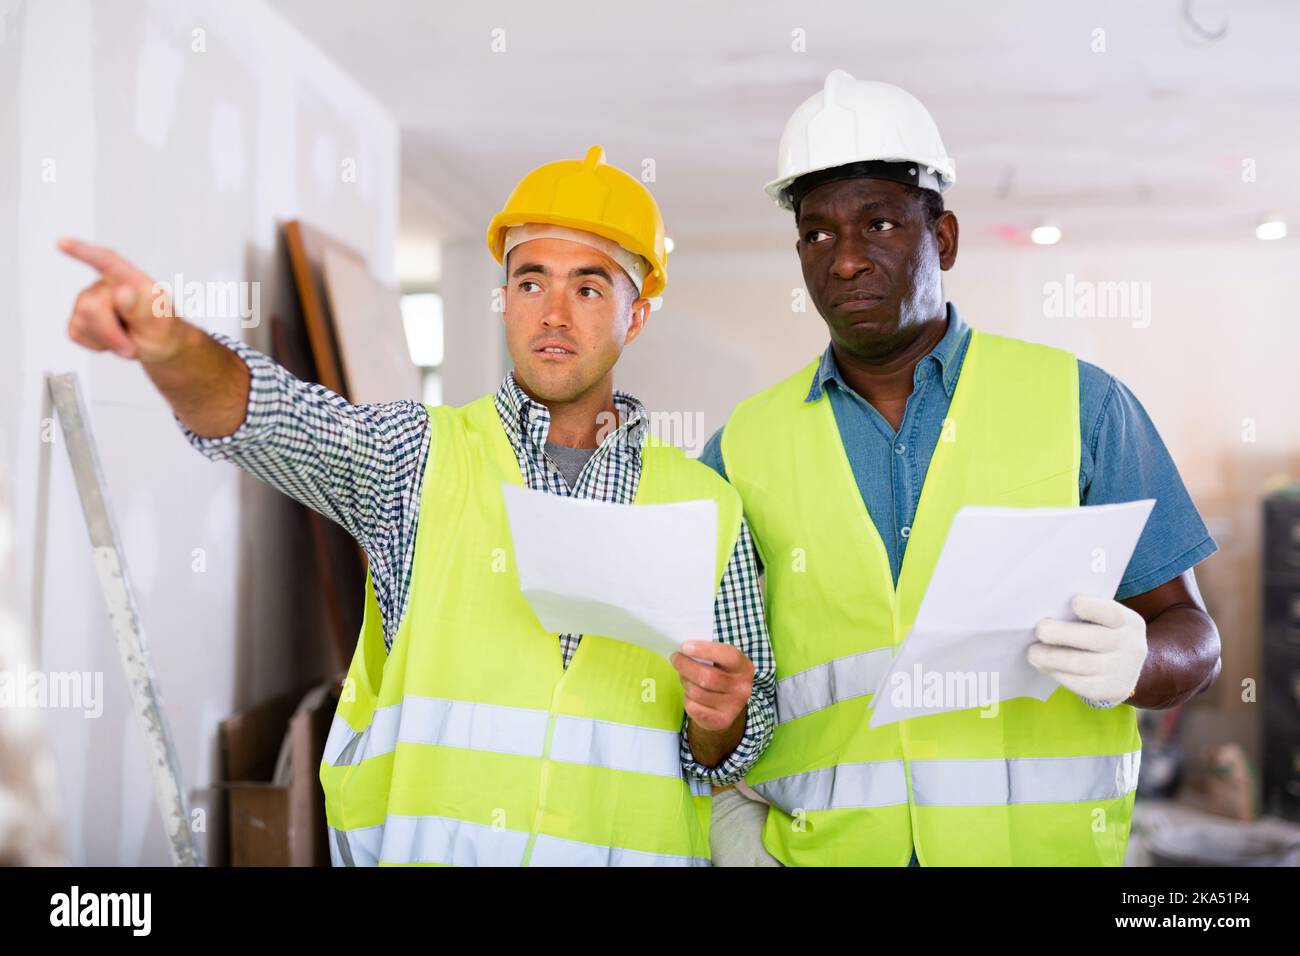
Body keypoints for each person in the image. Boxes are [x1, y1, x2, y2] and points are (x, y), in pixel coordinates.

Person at [59, 145, 776, 867]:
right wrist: (172, 345)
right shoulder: (419, 458)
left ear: (638, 313)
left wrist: (721, 718)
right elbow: (276, 420)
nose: (554, 313)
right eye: (531, 283)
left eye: (589, 290)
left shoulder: (706, 508)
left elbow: (738, 743)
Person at [700, 72, 1221, 866]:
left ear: (941, 237)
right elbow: (706, 675)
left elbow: (1196, 639)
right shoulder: (744, 444)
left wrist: (1137, 663)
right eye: (816, 234)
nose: (842, 262)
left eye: (877, 223)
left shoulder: (1081, 405)